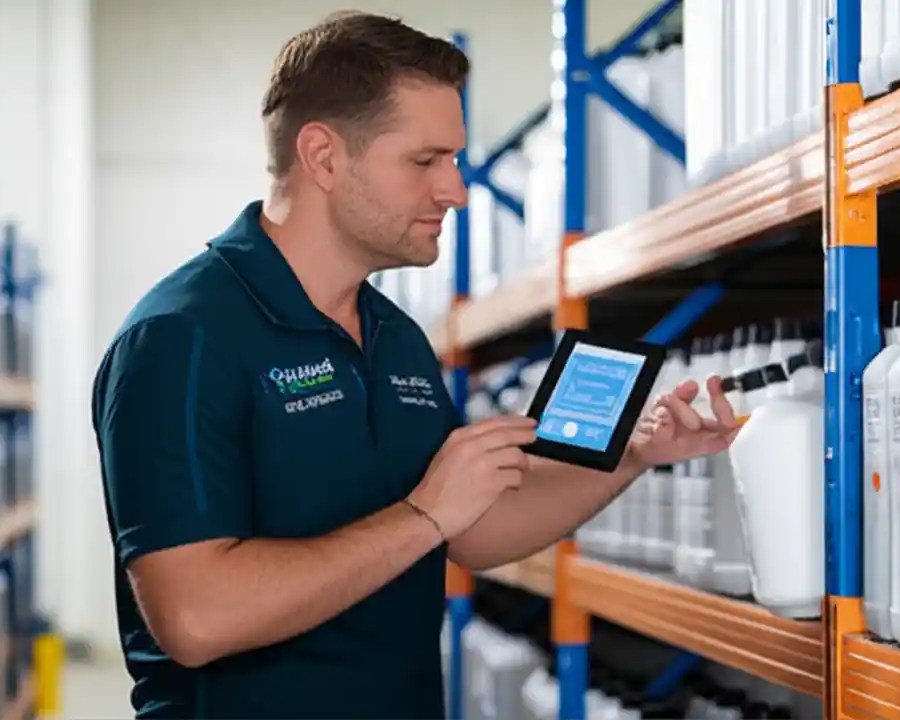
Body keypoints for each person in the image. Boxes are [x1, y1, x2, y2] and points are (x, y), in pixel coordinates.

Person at [91, 10, 738, 719]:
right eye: (425, 161)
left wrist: (633, 456)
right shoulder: (181, 339)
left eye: (455, 161)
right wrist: (423, 515)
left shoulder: (394, 338)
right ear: (324, 156)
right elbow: (196, 619)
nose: (457, 191)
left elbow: (474, 531)